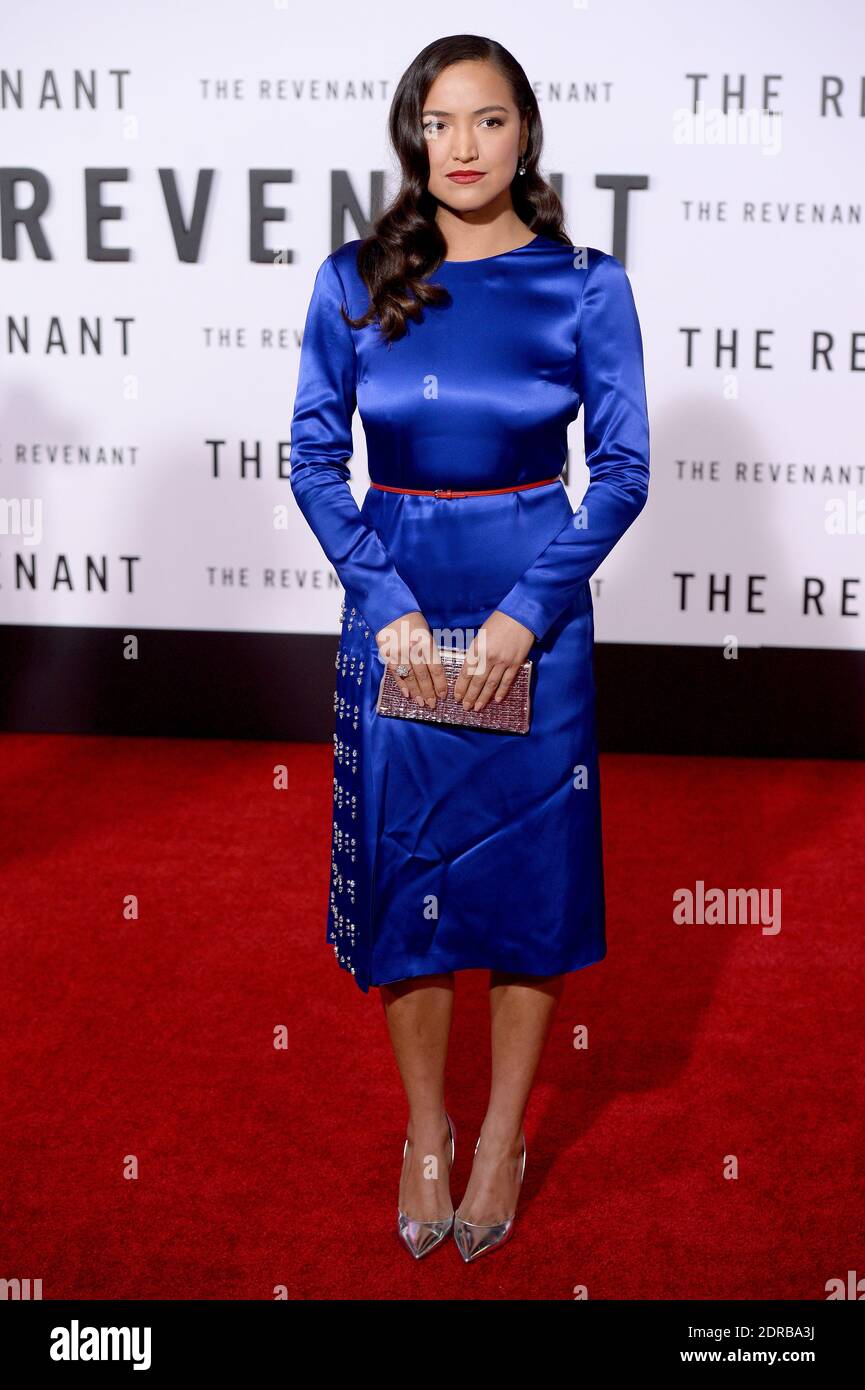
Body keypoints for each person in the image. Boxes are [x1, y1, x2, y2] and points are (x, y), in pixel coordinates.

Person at [289, 33, 650, 1262]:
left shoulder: (584, 285)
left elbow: (621, 474)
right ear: (411, 136)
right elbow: (310, 459)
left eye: (487, 122)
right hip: (393, 612)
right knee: (412, 881)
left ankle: (500, 1134)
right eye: (439, 123)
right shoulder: (354, 279)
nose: (462, 147)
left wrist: (520, 616)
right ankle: (426, 1133)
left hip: (529, 615)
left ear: (525, 135)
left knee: (526, 889)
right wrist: (384, 602)